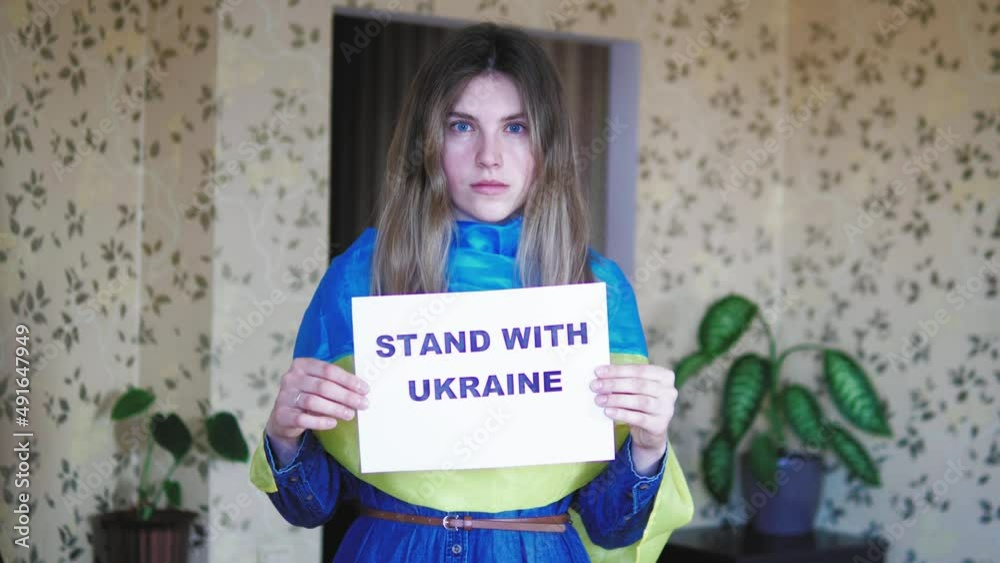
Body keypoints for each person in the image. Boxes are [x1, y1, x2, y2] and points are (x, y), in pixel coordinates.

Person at [249, 22, 693, 562]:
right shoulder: (358, 278)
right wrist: (284, 435)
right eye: (462, 126)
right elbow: (310, 508)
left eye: (516, 128)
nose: (489, 156)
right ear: (426, 143)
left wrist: (648, 448)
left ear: (547, 145)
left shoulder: (598, 290)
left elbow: (610, 528)